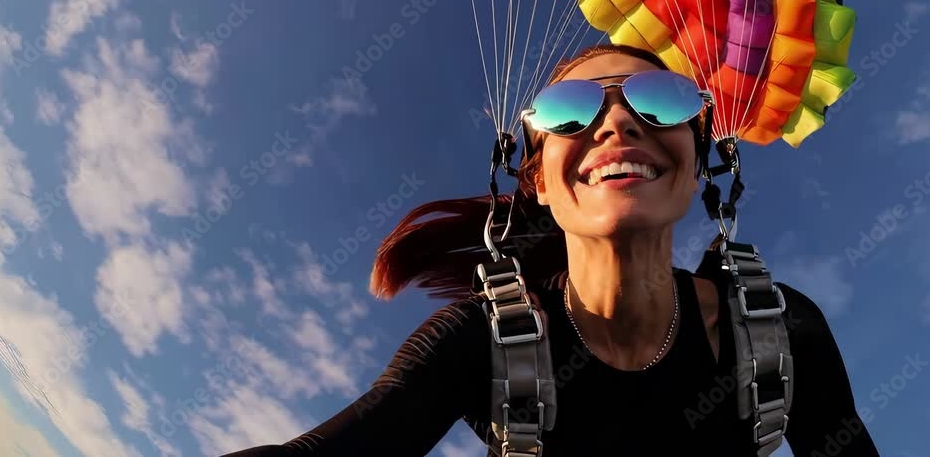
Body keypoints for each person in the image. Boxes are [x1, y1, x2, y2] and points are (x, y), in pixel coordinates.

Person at [221, 44, 879, 456]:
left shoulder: (778, 335)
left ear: (702, 161)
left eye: (661, 102)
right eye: (570, 110)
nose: (618, 121)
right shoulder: (483, 344)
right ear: (536, 177)